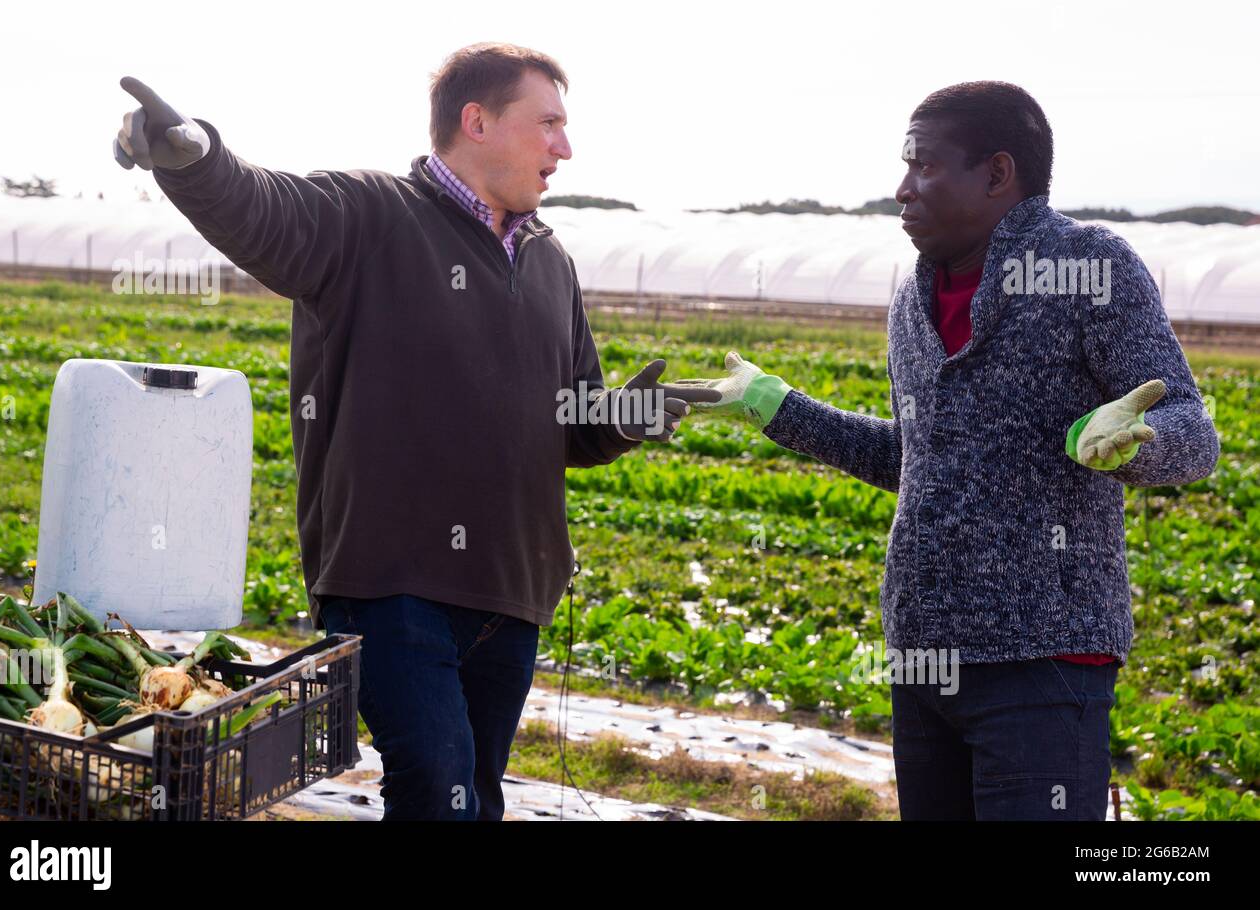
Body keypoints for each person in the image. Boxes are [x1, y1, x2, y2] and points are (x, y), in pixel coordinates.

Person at [111, 42, 718, 821]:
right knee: (438, 787)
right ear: (478, 121)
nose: (564, 147)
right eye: (549, 124)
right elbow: (259, 208)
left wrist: (624, 418)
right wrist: (193, 157)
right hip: (388, 581)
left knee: (475, 794)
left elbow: (570, 420)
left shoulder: (548, 260)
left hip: (511, 588)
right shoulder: (367, 214)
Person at [677, 82, 1219, 820]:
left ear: (998, 173)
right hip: (925, 655)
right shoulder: (912, 299)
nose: (902, 189)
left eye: (923, 166)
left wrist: (1138, 443)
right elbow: (920, 463)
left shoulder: (1090, 266)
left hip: (1042, 663)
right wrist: (782, 410)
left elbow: (1194, 430)